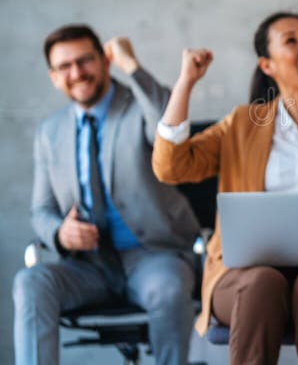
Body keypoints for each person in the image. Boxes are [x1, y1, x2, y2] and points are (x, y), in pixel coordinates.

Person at [151, 12, 298, 365]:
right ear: (267, 65)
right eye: (292, 41)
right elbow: (170, 166)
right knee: (262, 282)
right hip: (243, 279)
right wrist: (186, 82)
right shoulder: (240, 125)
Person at [13, 25, 199, 365]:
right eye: (65, 67)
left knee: (168, 290)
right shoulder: (50, 132)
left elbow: (169, 125)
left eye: (85, 61)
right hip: (89, 268)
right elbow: (40, 210)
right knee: (31, 282)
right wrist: (59, 234)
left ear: (104, 61)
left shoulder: (137, 107)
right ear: (54, 77)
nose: (77, 73)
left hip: (153, 257)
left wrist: (133, 67)